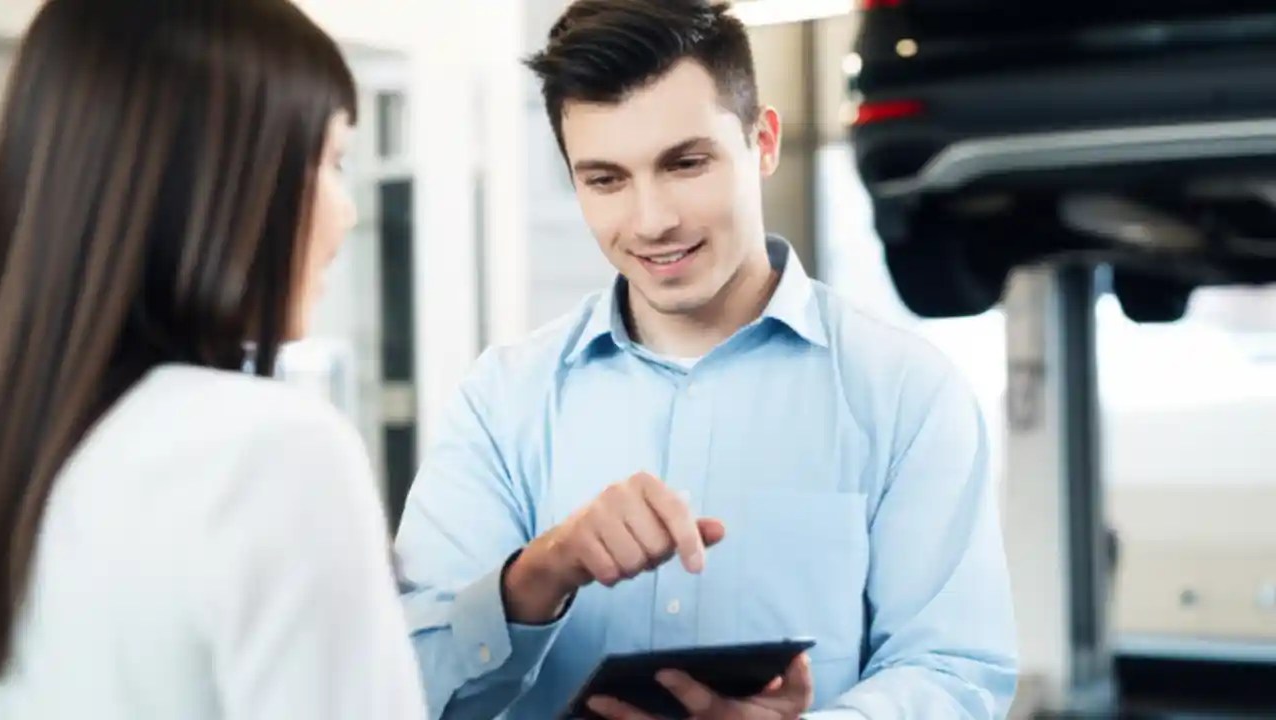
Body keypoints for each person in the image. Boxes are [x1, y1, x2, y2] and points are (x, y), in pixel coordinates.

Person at [395, 0, 1017, 718]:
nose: (652, 219)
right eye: (606, 179)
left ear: (764, 142)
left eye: (685, 164)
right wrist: (538, 577)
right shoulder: (503, 401)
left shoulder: (906, 392)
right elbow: (403, 687)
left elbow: (955, 674)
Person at [0, 2, 423, 718]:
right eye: (330, 160)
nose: (345, 212)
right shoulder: (271, 450)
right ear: (217, 176)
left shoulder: (32, 444)